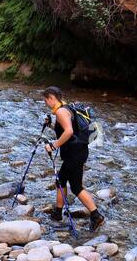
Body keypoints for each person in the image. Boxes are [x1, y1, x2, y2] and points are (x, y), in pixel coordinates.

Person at [42, 86, 103, 230]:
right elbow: (69, 129)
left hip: (75, 154)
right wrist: (51, 125)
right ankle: (58, 212)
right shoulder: (67, 108)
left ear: (51, 98)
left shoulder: (61, 112)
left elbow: (68, 132)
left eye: (46, 100)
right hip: (78, 151)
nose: (46, 103)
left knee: (76, 187)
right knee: (61, 179)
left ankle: (96, 215)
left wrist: (54, 145)